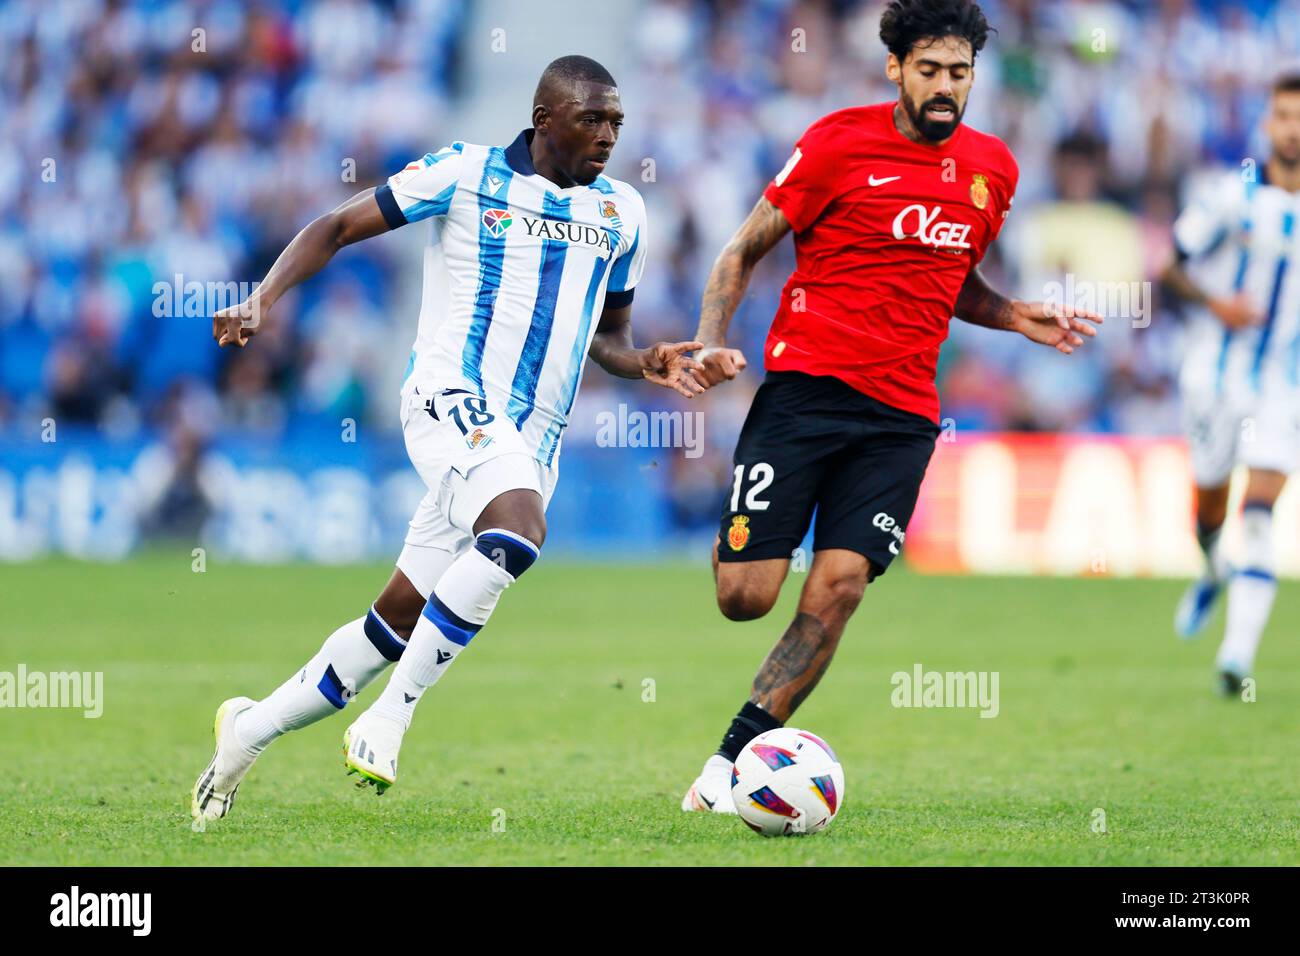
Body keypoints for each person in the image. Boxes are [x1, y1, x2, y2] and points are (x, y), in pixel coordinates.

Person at [193, 55, 706, 821]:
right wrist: (262, 299)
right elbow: (336, 226)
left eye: (616, 123)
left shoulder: (623, 212)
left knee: (394, 624)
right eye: (592, 120)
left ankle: (247, 733)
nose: (608, 135)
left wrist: (648, 362)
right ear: (545, 120)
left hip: (530, 441)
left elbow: (609, 337)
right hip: (450, 396)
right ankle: (391, 718)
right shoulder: (465, 174)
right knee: (518, 532)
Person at [679, 0, 1103, 814]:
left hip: (902, 417)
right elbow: (743, 248)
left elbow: (949, 278)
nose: (945, 86)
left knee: (840, 587)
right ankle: (741, 536)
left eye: (959, 73)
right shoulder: (836, 142)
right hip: (805, 392)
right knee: (745, 596)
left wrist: (1014, 314)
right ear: (896, 69)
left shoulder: (994, 170)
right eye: (930, 70)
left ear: (974, 77)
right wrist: (708, 341)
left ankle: (729, 763)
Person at [1165, 71, 1300, 695]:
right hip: (1214, 378)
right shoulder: (1231, 194)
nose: (1293, 130)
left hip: (1283, 384)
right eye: (1284, 117)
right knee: (1210, 513)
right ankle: (1213, 570)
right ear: (1267, 123)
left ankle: (1236, 657)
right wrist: (1217, 304)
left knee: (1260, 514)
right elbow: (1170, 266)